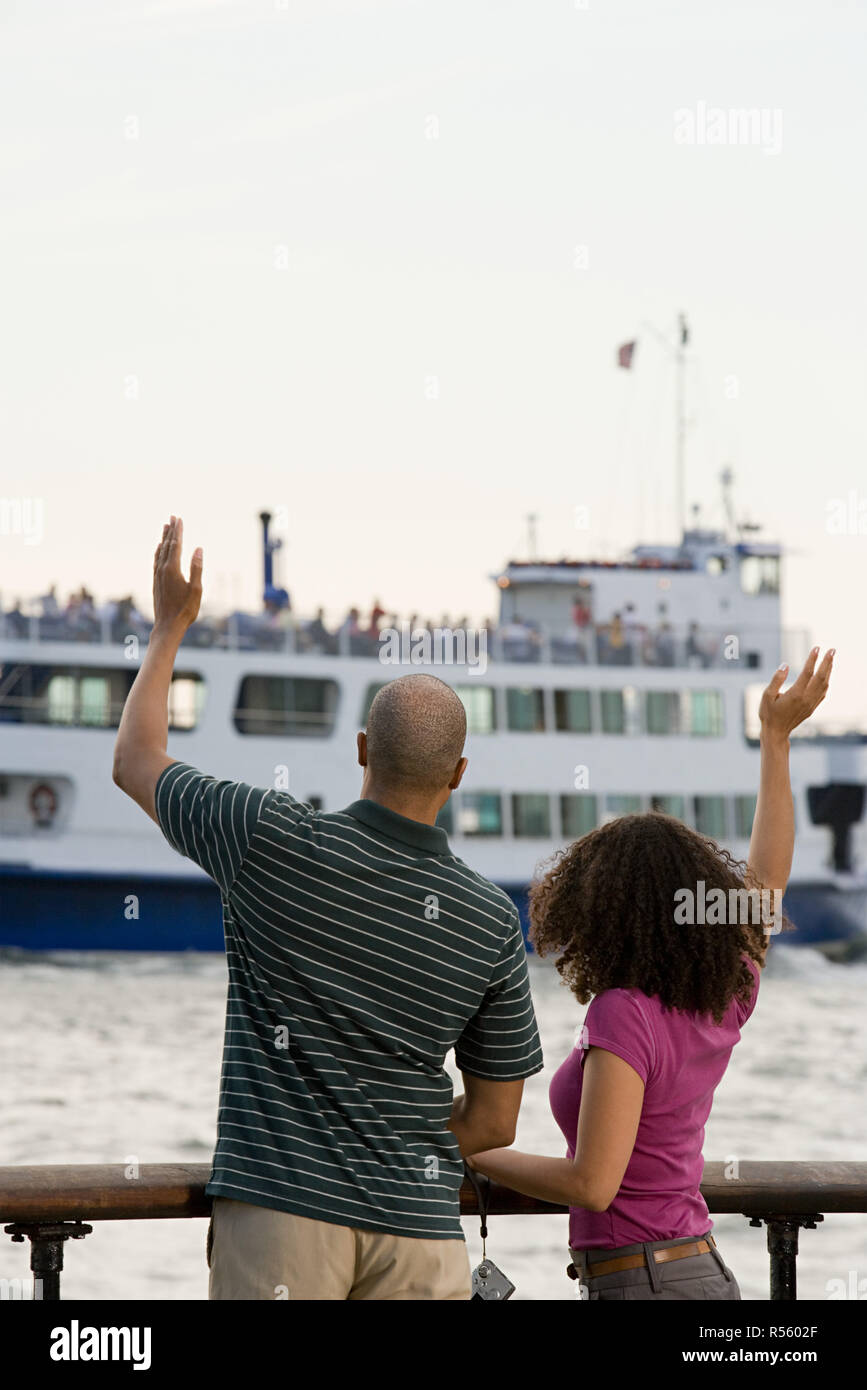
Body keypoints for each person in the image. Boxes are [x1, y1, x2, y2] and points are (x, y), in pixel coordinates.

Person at [112, 516, 543, 1301]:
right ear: (458, 775)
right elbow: (494, 1124)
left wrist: (171, 624)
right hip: (421, 1236)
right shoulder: (489, 919)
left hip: (283, 1220)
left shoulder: (267, 835)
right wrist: (390, 1140)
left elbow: (136, 760)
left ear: (361, 751)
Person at [468, 646, 834, 1300]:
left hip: (644, 1282)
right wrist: (774, 740)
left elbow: (591, 1184)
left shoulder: (621, 1012)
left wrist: (472, 1152)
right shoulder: (722, 993)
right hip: (692, 1269)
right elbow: (766, 887)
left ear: (600, 912)